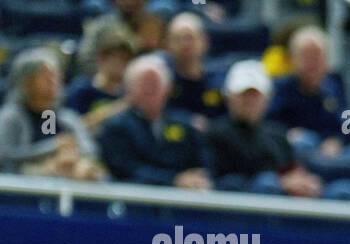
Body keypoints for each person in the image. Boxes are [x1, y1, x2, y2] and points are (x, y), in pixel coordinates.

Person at [208, 60, 350, 201]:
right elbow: (225, 177)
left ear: (267, 98)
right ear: (228, 97)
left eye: (255, 95)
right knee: (266, 183)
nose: (250, 100)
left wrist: (305, 182)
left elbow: (292, 169)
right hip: (244, 203)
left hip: (285, 197)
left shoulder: (277, 133)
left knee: (345, 189)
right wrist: (283, 182)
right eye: (243, 94)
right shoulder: (215, 133)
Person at [98, 54, 211, 189]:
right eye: (144, 84)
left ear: (167, 88)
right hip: (134, 200)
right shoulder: (116, 127)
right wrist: (174, 181)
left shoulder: (185, 124)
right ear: (129, 89)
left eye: (155, 83)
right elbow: (125, 170)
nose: (150, 89)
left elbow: (203, 162)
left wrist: (199, 178)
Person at [0, 48, 102, 179]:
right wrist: (52, 147)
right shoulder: (12, 116)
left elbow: (90, 151)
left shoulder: (64, 118)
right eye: (45, 76)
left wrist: (71, 155)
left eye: (56, 76)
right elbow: (6, 155)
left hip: (65, 177)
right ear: (26, 82)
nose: (53, 81)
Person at [267, 26, 350, 157]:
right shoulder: (280, 88)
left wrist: (338, 141)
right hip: (299, 155)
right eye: (306, 57)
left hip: (334, 153)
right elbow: (268, 126)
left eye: (317, 56)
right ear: (293, 60)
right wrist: (287, 134)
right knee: (304, 142)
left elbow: (349, 119)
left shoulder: (335, 84)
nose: (312, 63)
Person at [162, 13, 222, 125]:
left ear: (204, 42)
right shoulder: (161, 83)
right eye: (177, 39)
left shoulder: (219, 83)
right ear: (167, 45)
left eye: (190, 38)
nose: (185, 44)